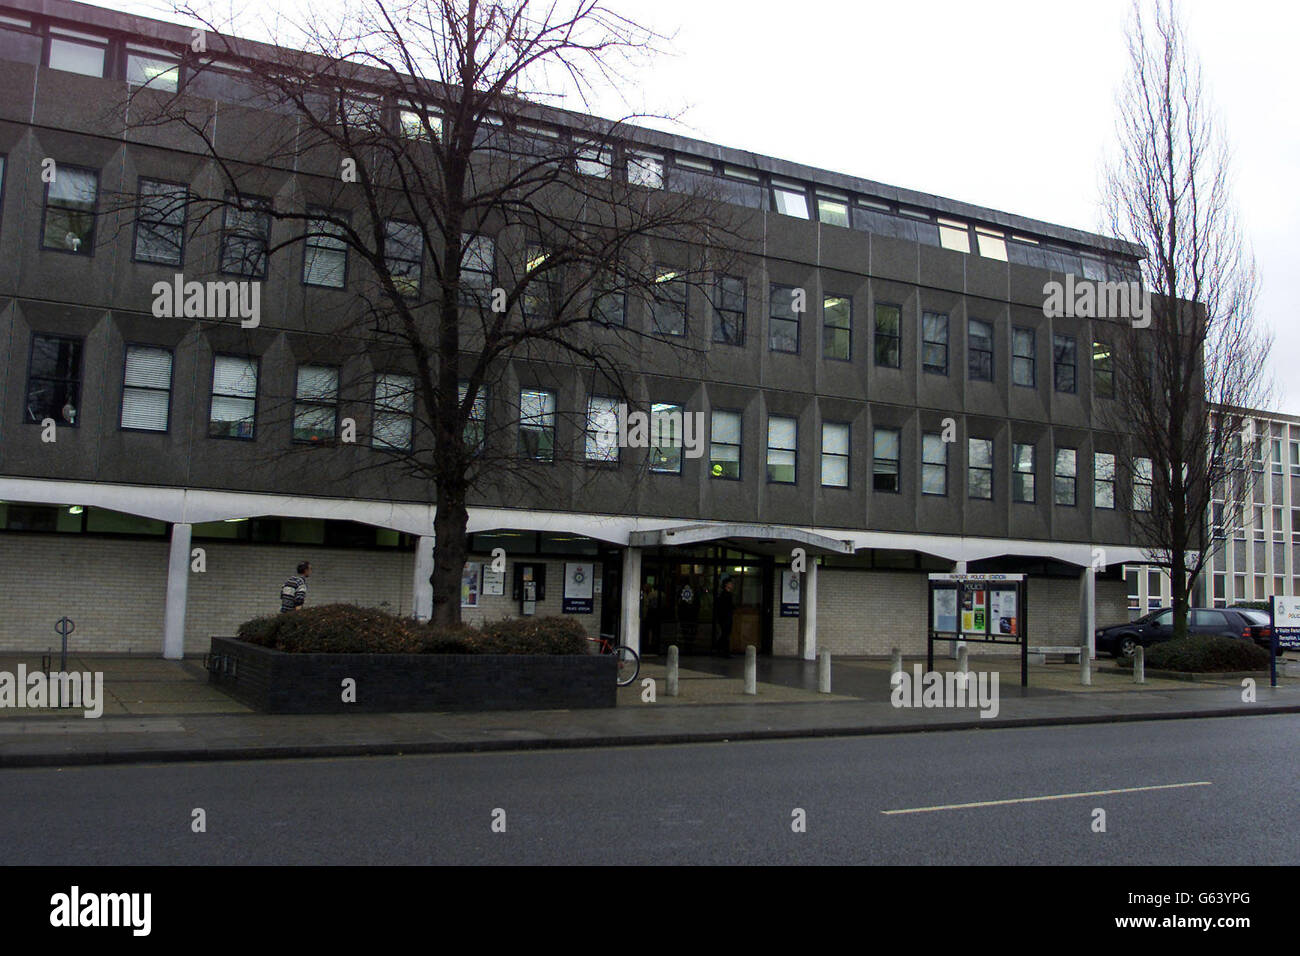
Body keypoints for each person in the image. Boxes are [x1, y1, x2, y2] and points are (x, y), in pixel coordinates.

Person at [713, 574, 735, 657]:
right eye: (730, 583)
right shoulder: (725, 595)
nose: (732, 585)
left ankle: (720, 648)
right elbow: (725, 607)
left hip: (726, 617)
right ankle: (724, 651)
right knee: (725, 634)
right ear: (726, 585)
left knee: (725, 634)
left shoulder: (727, 594)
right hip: (725, 618)